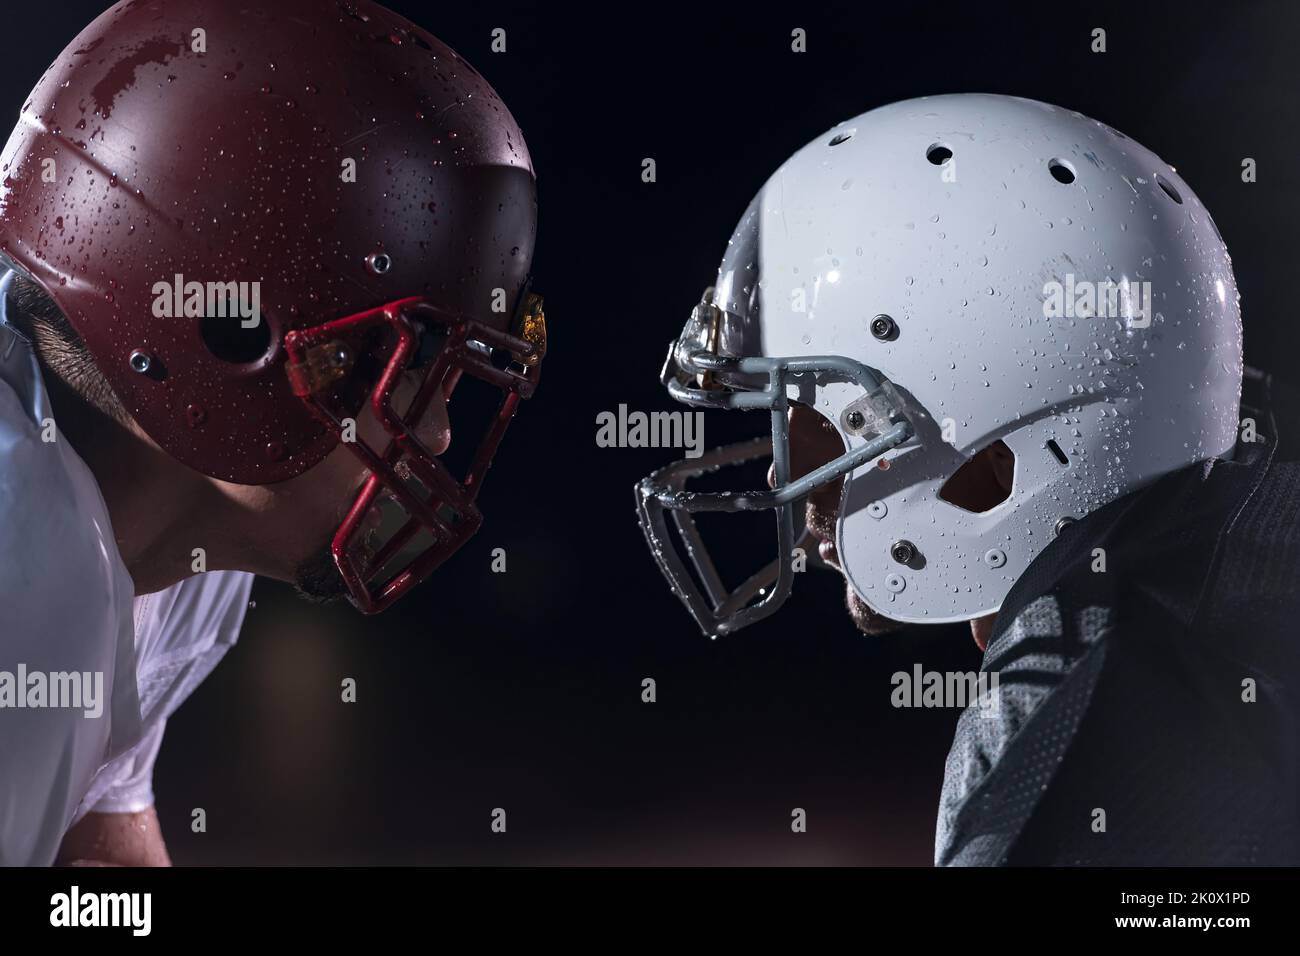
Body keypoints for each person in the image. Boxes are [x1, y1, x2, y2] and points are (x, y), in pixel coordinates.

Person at [636, 93, 1299, 864]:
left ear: (989, 432)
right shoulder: (1256, 531)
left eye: (811, 413)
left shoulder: (1079, 741)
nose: (789, 470)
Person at [0, 0, 545, 866]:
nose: (437, 435)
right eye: (409, 371)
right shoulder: (23, 573)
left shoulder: (181, 532)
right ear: (233, 342)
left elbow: (95, 851)